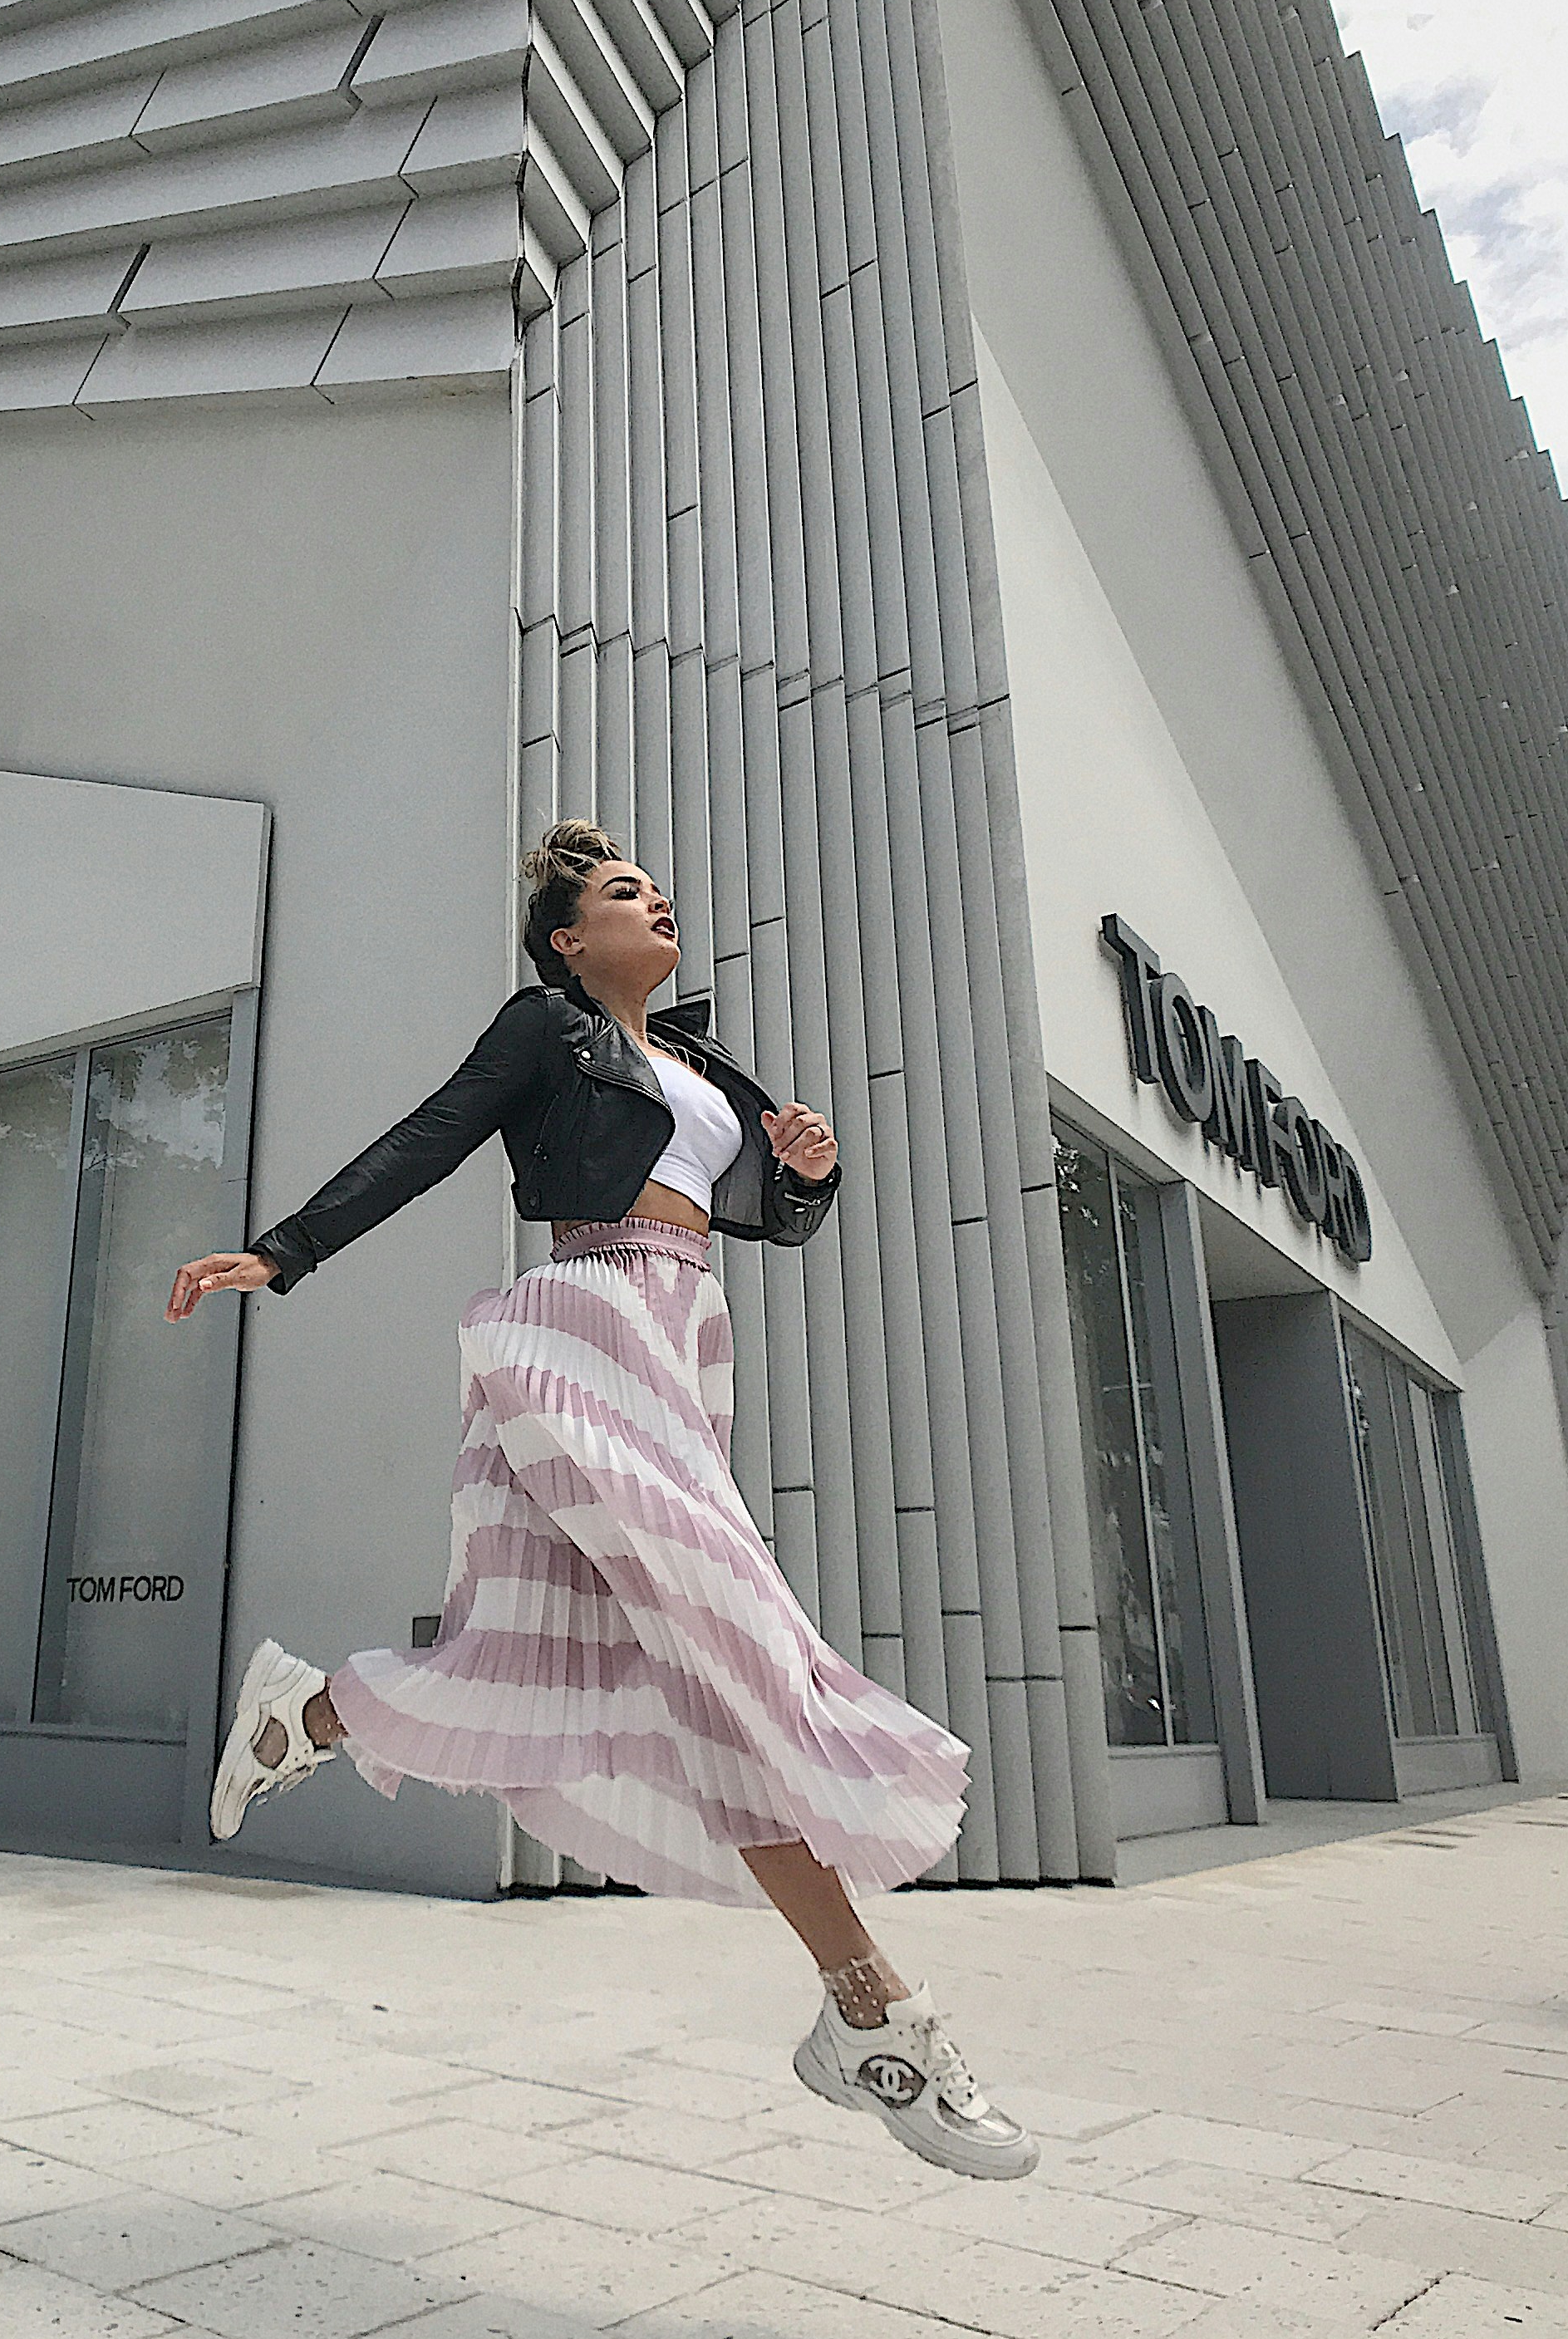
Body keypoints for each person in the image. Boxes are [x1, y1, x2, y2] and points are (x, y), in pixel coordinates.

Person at [167, 823, 1035, 2180]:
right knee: (729, 1640)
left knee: (539, 1663)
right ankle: (879, 2015)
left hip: (680, 1339)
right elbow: (435, 1133)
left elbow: (764, 1211)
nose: (658, 900)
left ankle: (310, 1711)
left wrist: (806, 1171)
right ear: (571, 939)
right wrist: (281, 1253)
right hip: (585, 1321)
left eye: (658, 889)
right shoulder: (547, 1029)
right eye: (627, 893)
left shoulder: (697, 1067)